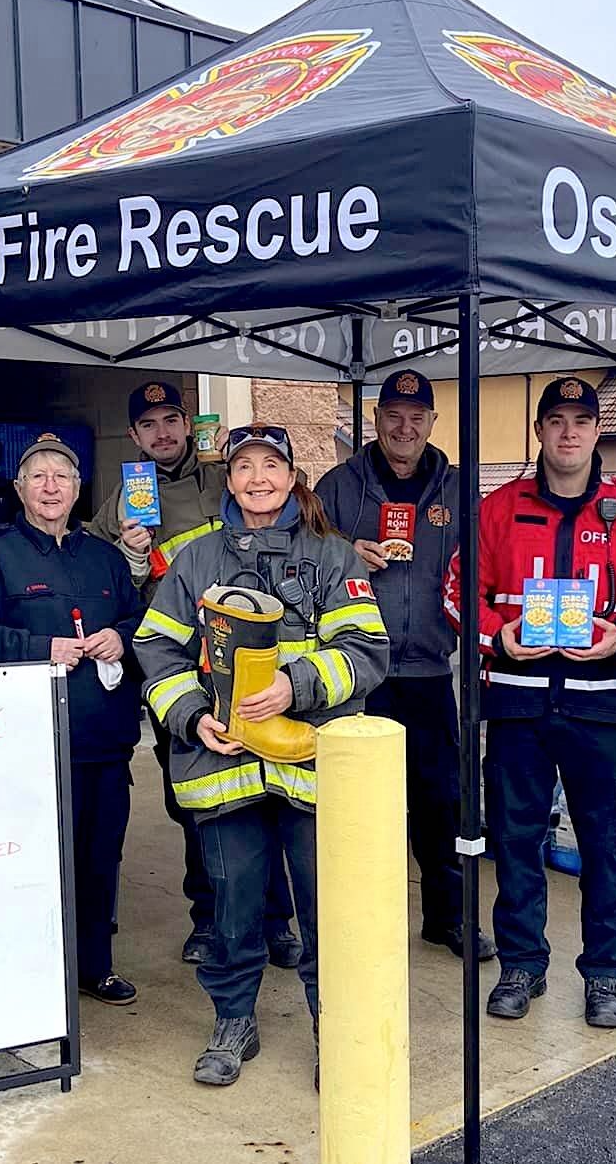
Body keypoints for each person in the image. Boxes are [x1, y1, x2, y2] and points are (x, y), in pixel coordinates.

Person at [135, 424, 389, 1087]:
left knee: (325, 913)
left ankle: (332, 1030)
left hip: (310, 766)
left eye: (271, 466)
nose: (257, 478)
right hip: (223, 766)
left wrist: (293, 686)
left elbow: (367, 651)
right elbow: (156, 647)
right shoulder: (194, 558)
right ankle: (233, 1022)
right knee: (233, 907)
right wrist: (191, 716)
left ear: (292, 477)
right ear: (229, 479)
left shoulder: (333, 556)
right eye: (244, 466)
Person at [445, 377, 616, 1028]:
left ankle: (604, 976)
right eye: (557, 421)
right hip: (516, 707)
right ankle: (522, 965)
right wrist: (499, 637)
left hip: (600, 709)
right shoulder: (497, 510)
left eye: (581, 421)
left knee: (605, 847)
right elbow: (458, 593)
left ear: (598, 431)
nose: (569, 432)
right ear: (539, 431)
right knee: (516, 843)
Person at [88, 379, 301, 970]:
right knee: (195, 799)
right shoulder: (124, 498)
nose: (162, 433)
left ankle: (275, 921)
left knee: (268, 791)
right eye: (148, 424)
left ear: (189, 424)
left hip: (253, 664)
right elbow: (105, 580)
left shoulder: (224, 478)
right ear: (133, 435)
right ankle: (207, 918)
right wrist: (131, 554)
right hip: (184, 669)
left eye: (171, 420)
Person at [315, 368, 496, 962]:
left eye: (417, 417)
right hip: (357, 675)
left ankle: (448, 919)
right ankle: (362, 926)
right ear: (375, 419)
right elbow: (305, 556)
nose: (404, 427)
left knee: (440, 802)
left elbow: (484, 566)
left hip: (429, 672)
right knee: (360, 808)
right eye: (393, 415)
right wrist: (345, 552)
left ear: (432, 423)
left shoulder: (459, 489)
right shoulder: (339, 486)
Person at [0, 433, 145, 1006]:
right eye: (39, 477)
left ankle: (95, 966)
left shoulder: (105, 557)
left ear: (78, 488)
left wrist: (120, 638)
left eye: (62, 477)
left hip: (103, 741)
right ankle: (36, 976)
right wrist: (39, 648)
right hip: (29, 743)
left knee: (100, 857)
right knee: (35, 860)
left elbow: (141, 621)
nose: (51, 487)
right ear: (19, 487)